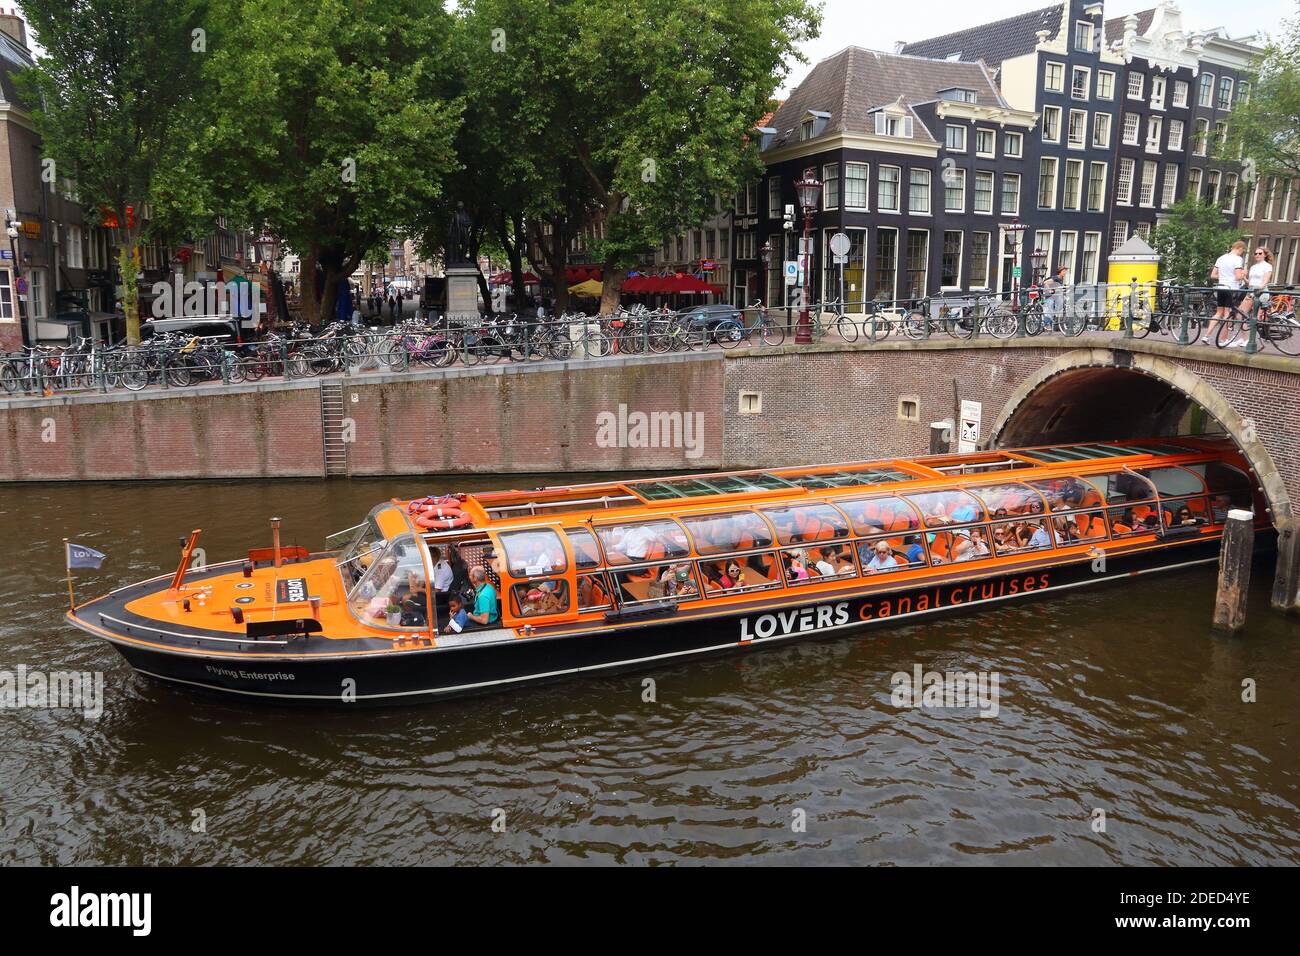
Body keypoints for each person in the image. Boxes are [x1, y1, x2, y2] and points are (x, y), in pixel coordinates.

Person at [1225, 247, 1274, 348]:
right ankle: (1245, 338)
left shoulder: (1267, 266)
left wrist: (1259, 287)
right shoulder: (1253, 267)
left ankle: (1252, 340)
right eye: (1255, 253)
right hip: (1251, 292)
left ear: (1265, 255)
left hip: (1261, 293)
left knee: (1256, 319)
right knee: (1240, 315)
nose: (1257, 255)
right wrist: (1243, 277)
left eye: (1260, 253)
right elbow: (1250, 283)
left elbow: (1265, 281)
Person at [1203, 240, 1247, 345]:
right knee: (1228, 314)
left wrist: (1223, 277)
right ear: (1240, 248)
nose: (1242, 253)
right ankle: (1224, 340)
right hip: (1231, 288)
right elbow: (1237, 277)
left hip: (1220, 287)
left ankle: (1206, 336)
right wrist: (1244, 273)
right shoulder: (1238, 259)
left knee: (1219, 313)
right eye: (1242, 251)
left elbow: (1213, 275)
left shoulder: (1221, 258)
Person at [1043, 265, 1067, 331]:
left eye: (1065, 271)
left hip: (1055, 296)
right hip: (1049, 295)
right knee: (1050, 307)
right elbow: (1045, 283)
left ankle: (1053, 320)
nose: (1065, 273)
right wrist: (1049, 290)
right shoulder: (1056, 277)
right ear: (1060, 272)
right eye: (1064, 271)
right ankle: (1047, 323)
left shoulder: (1061, 279)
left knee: (1061, 304)